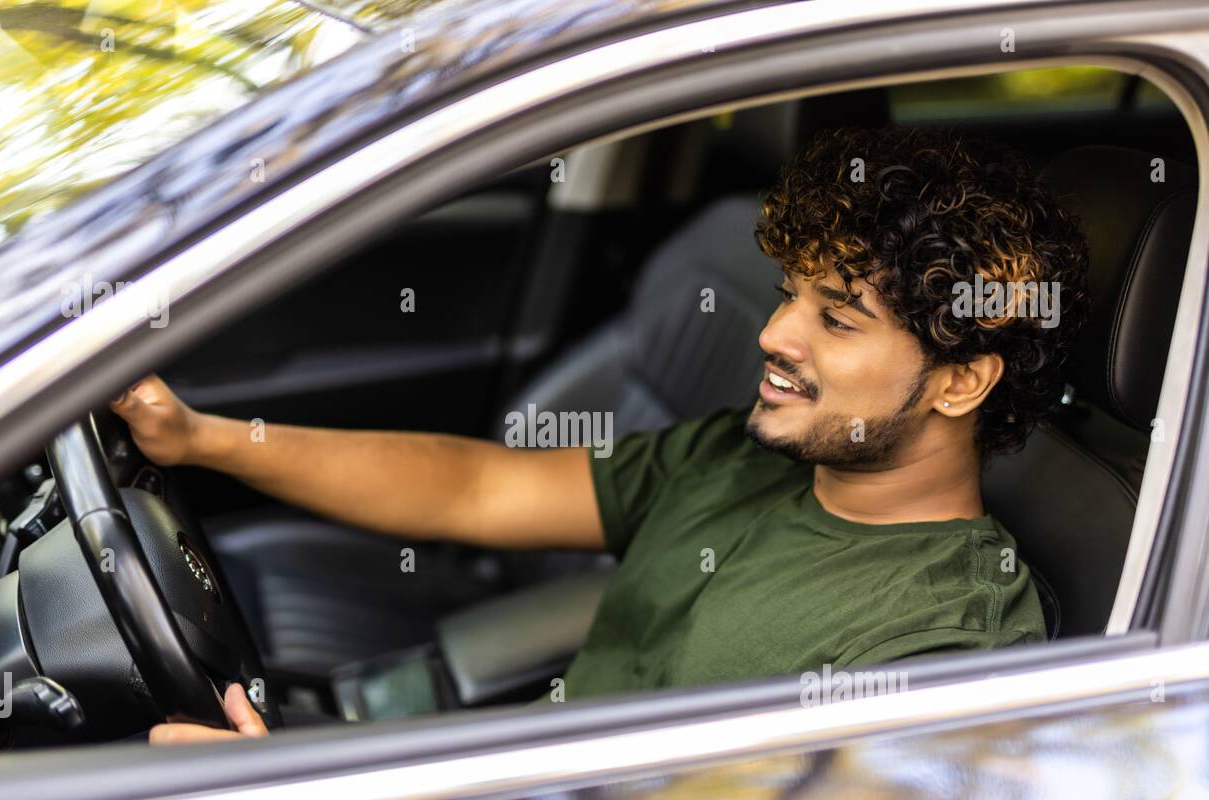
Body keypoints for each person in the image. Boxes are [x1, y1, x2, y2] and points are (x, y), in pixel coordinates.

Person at [126, 126, 1089, 744]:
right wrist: (203, 438)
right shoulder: (746, 452)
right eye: (788, 295)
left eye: (835, 319)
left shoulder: (945, 647)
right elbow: (475, 489)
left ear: (961, 381)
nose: (771, 335)